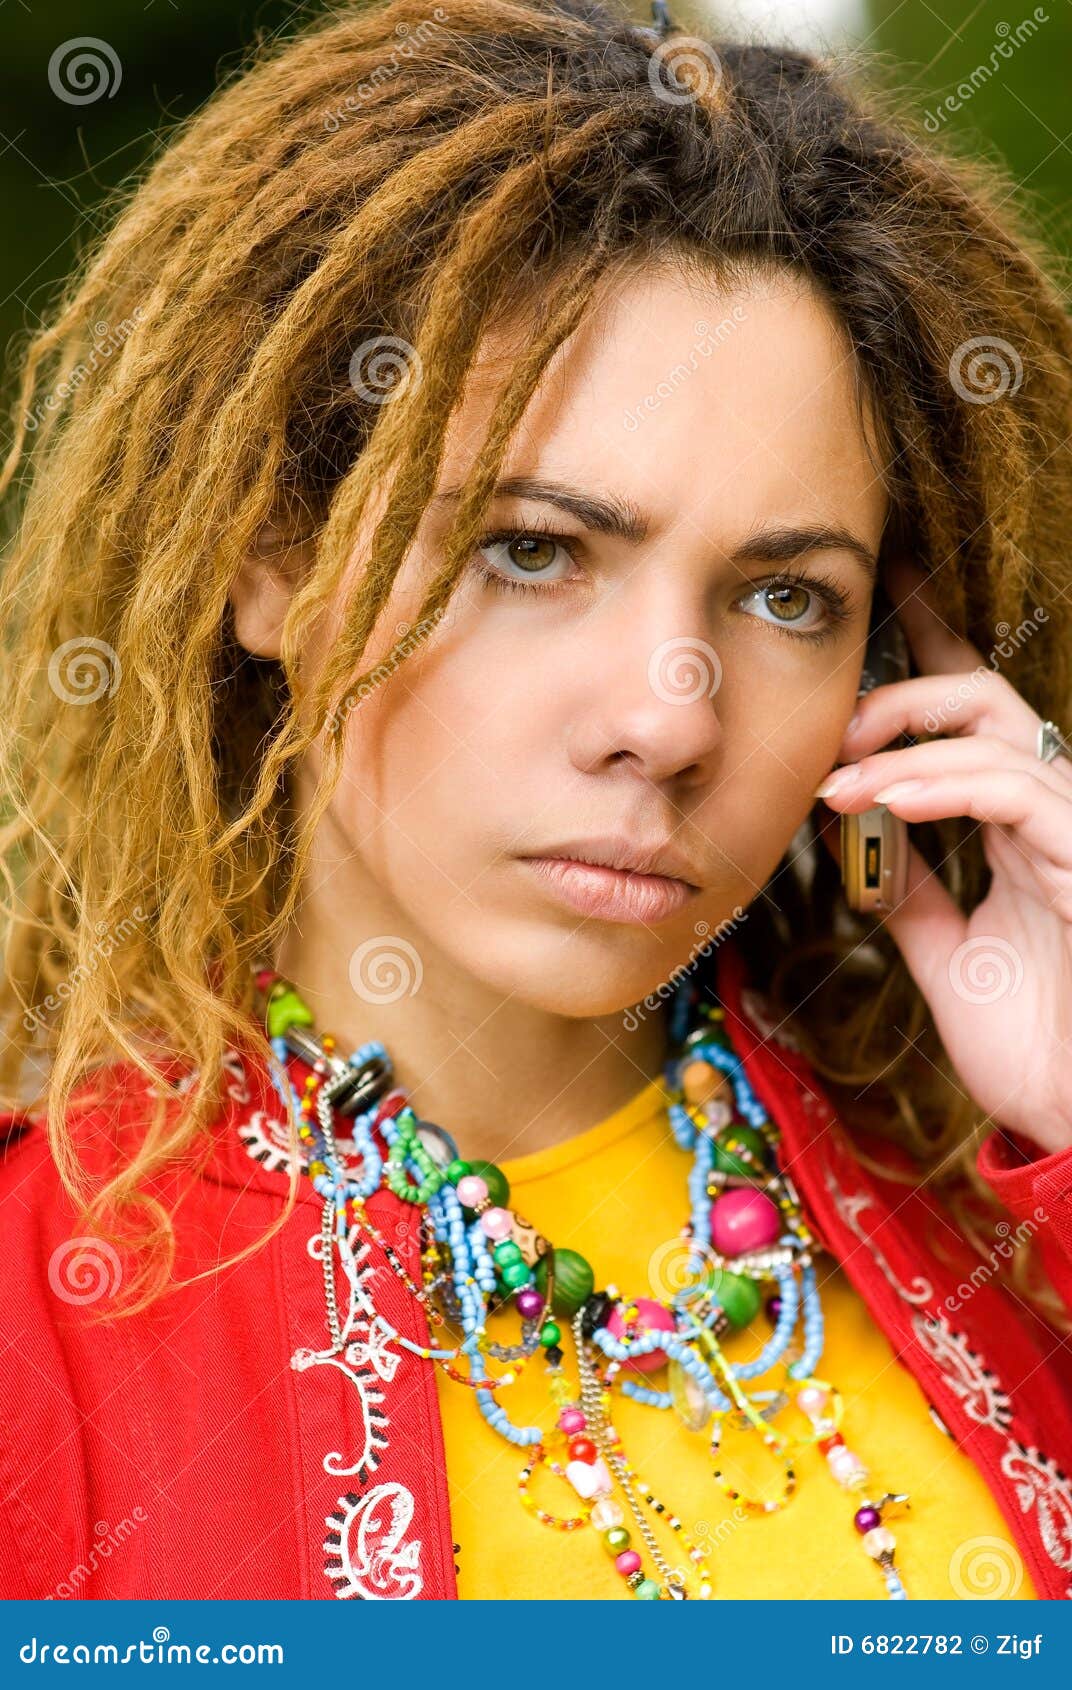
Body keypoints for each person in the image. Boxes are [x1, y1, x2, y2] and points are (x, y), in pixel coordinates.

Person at [1, 0, 1070, 1603]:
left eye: (786, 596)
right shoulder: (43, 1313)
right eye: (532, 550)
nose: (666, 716)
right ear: (267, 558)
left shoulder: (989, 1193)